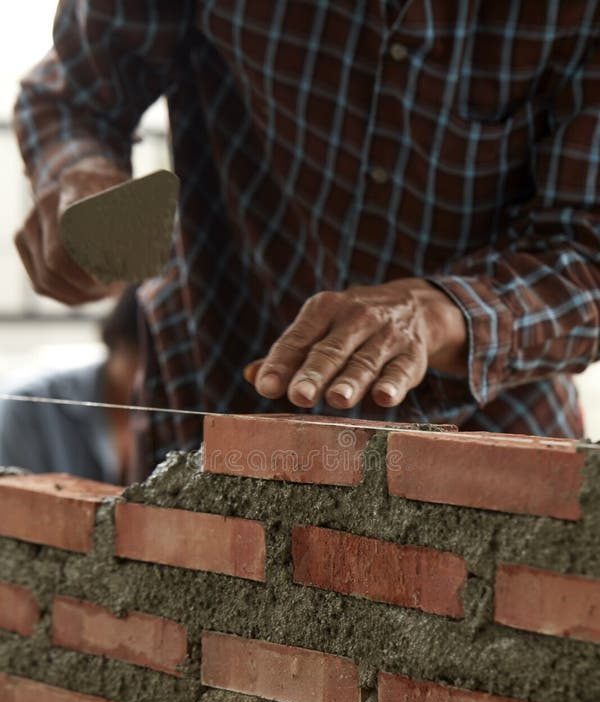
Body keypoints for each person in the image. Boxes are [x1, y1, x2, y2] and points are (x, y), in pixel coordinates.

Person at [14, 2, 598, 478]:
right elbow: (74, 98)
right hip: (215, 380)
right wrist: (76, 179)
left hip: (490, 440)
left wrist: (438, 314)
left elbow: (588, 255)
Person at [0, 285, 140, 484]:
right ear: (119, 340)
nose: (146, 379)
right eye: (140, 362)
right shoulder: (27, 405)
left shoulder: (171, 413)